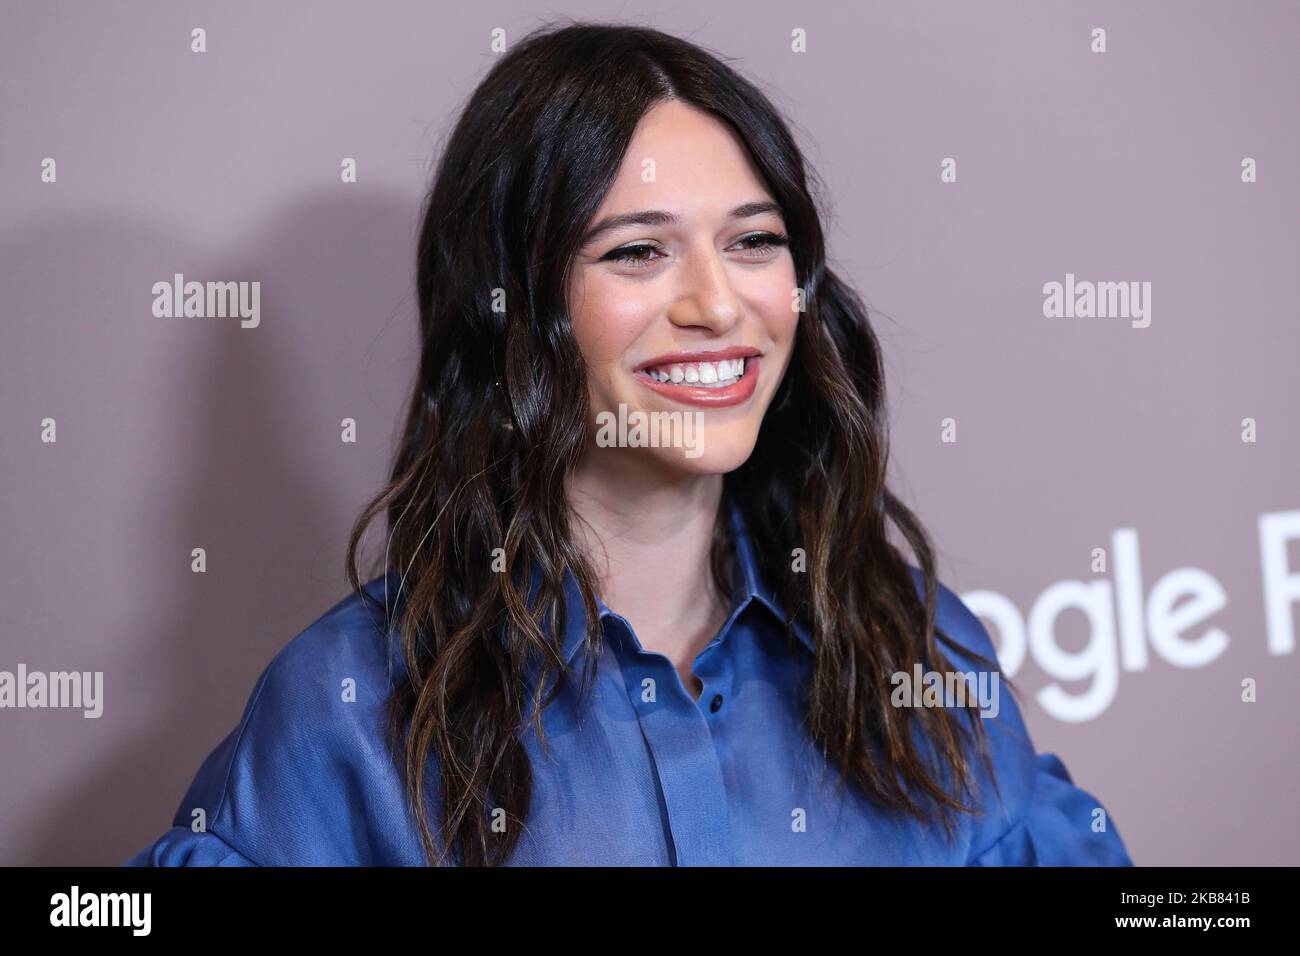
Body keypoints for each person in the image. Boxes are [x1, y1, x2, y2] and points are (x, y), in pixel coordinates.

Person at [124, 20, 1133, 867]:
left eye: (752, 241)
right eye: (638, 251)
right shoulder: (346, 707)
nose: (715, 304)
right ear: (513, 309)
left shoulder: (917, 648)